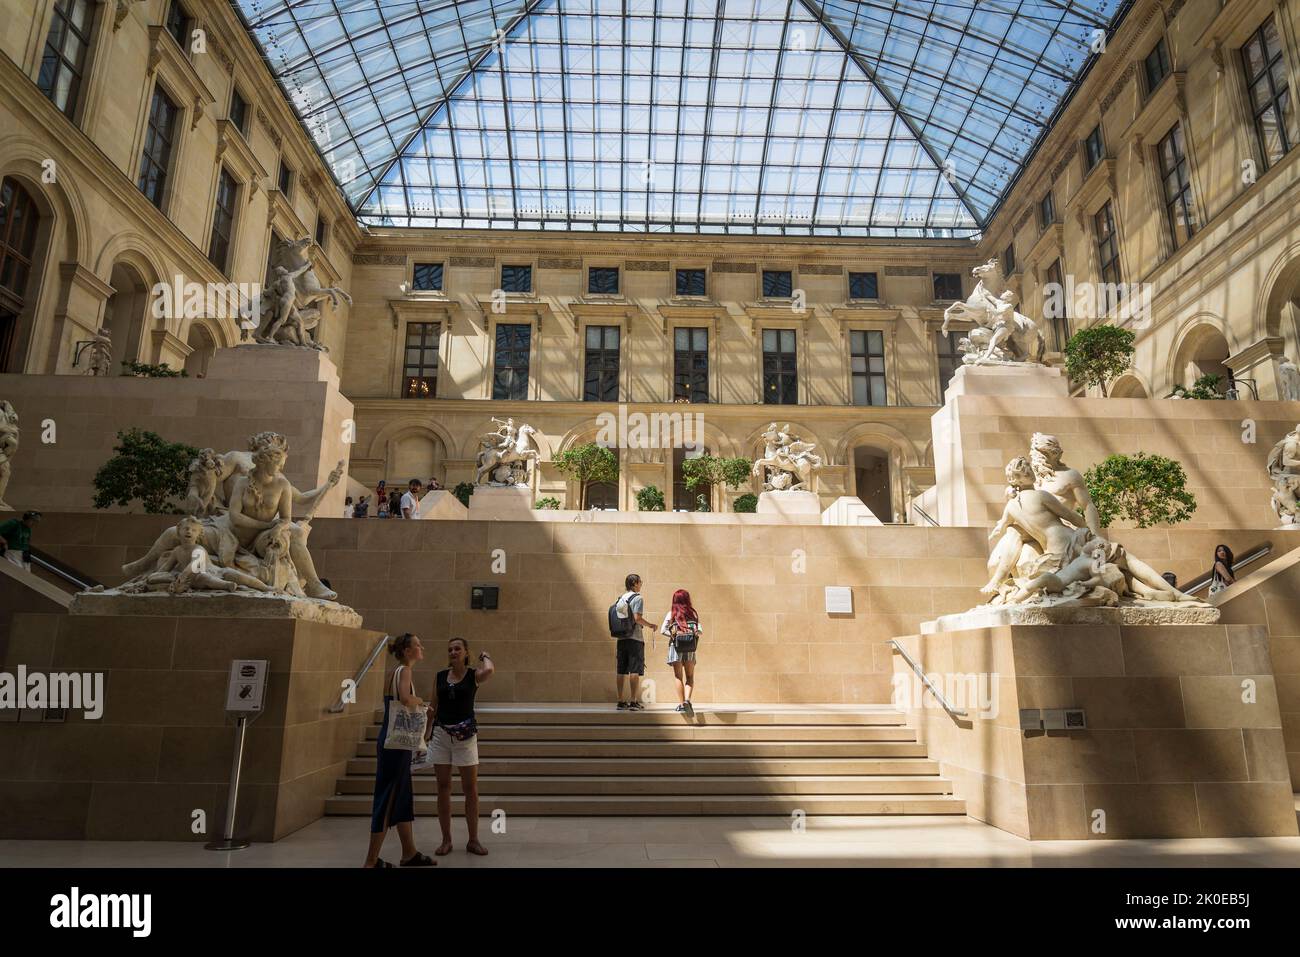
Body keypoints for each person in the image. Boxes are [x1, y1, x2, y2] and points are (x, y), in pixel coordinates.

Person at [364, 633, 434, 868]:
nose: (421, 646)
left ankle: (409, 853)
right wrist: (421, 701)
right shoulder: (404, 671)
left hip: (393, 741)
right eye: (417, 644)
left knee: (401, 798)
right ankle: (371, 861)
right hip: (396, 745)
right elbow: (405, 698)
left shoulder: (394, 672)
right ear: (407, 651)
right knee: (388, 798)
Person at [427, 637, 494, 856]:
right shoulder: (439, 677)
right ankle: (446, 840)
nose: (453, 652)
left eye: (457, 649)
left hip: (465, 737)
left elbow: (490, 671)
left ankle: (473, 840)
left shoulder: (473, 675)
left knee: (470, 789)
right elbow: (433, 707)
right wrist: (426, 733)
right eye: (450, 650)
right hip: (441, 735)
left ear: (466, 652)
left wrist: (485, 657)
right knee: (443, 787)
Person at [613, 573, 657, 711]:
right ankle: (633, 701)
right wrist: (650, 625)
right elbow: (637, 618)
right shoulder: (638, 598)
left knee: (621, 670)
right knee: (634, 670)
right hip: (634, 638)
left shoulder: (621, 598)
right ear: (634, 583)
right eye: (640, 582)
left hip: (621, 638)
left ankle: (620, 701)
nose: (641, 584)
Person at [659, 589, 702, 715]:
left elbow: (663, 630)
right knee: (690, 677)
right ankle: (688, 700)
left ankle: (682, 704)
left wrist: (673, 636)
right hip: (690, 648)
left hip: (676, 647)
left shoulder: (671, 614)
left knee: (678, 676)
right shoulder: (692, 615)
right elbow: (699, 631)